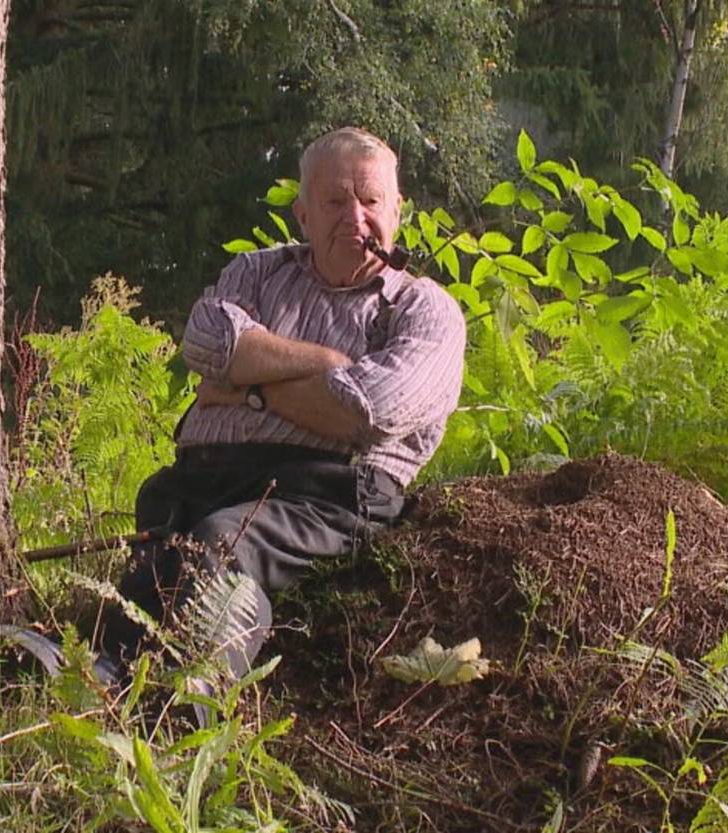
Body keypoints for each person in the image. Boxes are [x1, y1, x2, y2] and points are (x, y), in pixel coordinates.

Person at [84, 127, 467, 681]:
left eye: (370, 200)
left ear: (397, 210)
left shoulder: (422, 311)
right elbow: (210, 340)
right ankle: (96, 681)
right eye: (335, 201)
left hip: (327, 495)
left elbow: (366, 412)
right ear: (304, 215)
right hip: (203, 481)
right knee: (158, 566)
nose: (355, 218)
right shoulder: (257, 272)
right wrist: (330, 365)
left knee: (221, 546)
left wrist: (248, 387)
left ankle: (180, 703)